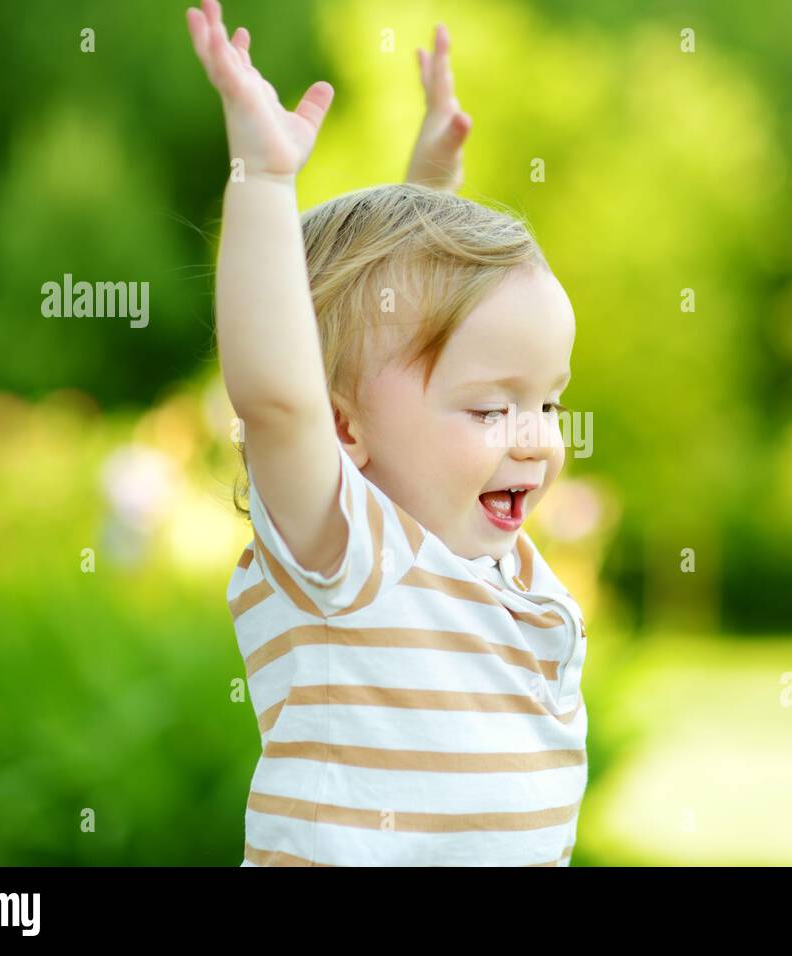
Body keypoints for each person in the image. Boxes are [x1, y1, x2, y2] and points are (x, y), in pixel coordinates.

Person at [186, 0, 589, 866]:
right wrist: (261, 177)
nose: (536, 439)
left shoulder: (483, 565)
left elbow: (400, 337)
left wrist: (427, 191)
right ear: (341, 430)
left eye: (549, 403)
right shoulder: (351, 558)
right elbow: (282, 399)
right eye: (492, 408)